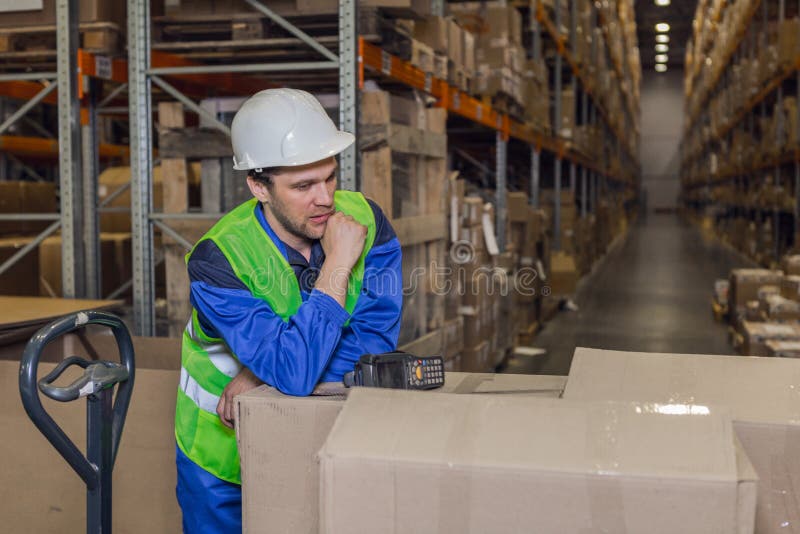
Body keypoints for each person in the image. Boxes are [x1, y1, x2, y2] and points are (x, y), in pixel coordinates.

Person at [174, 88, 403, 533]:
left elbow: (374, 344)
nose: (326, 199)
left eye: (330, 178)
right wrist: (337, 265)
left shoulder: (368, 223)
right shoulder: (218, 259)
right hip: (221, 460)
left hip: (324, 437)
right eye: (303, 186)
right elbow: (294, 373)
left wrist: (264, 375)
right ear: (259, 187)